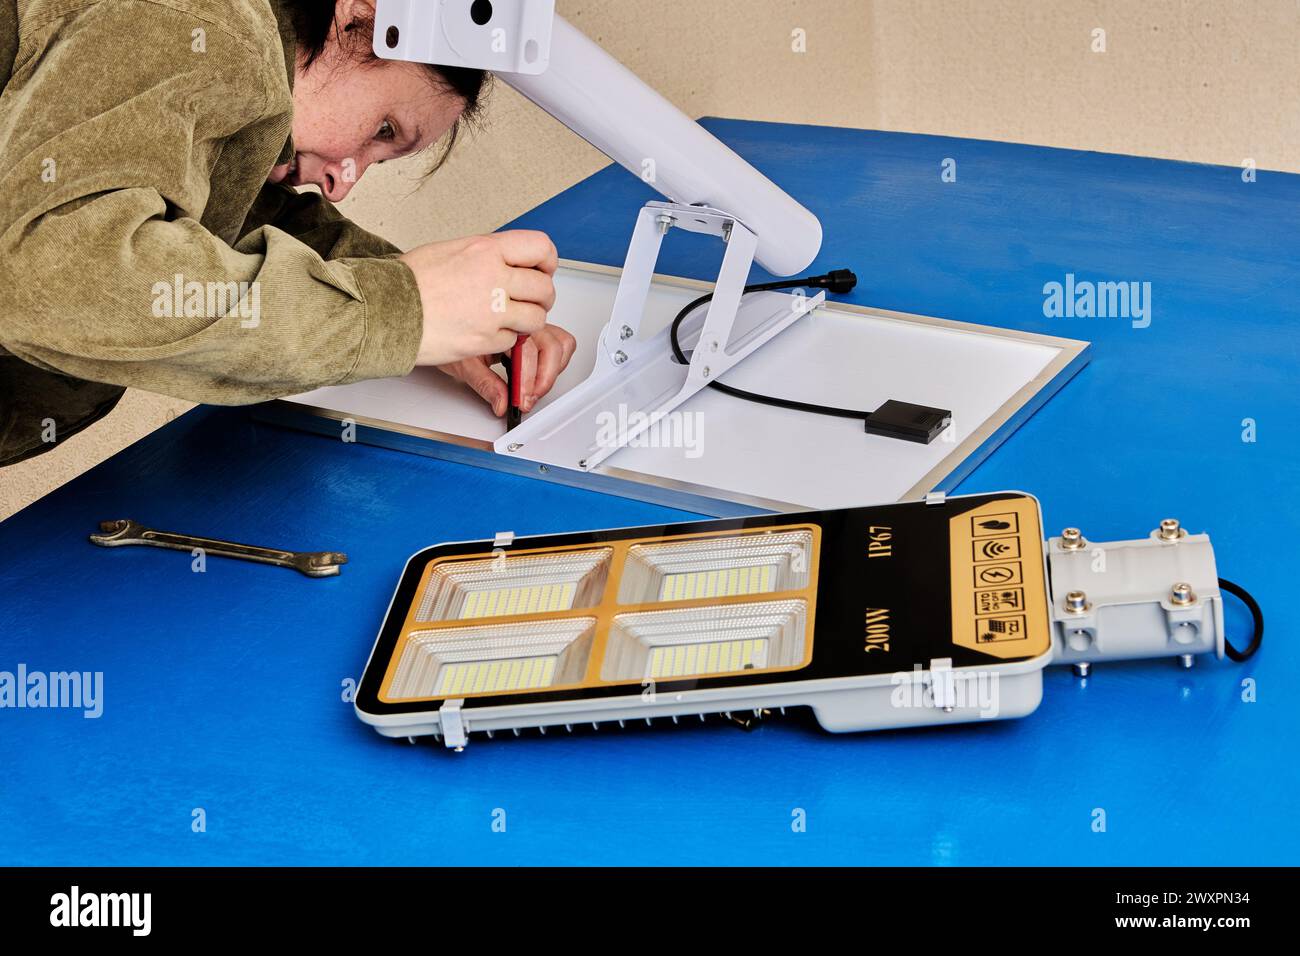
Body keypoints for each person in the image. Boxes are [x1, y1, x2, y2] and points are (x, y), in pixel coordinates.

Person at [0, 0, 576, 467]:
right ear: (356, 19)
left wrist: (435, 308)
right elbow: (49, 270)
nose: (342, 182)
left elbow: (223, 214)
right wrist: (397, 312)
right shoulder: (212, 25)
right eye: (382, 129)